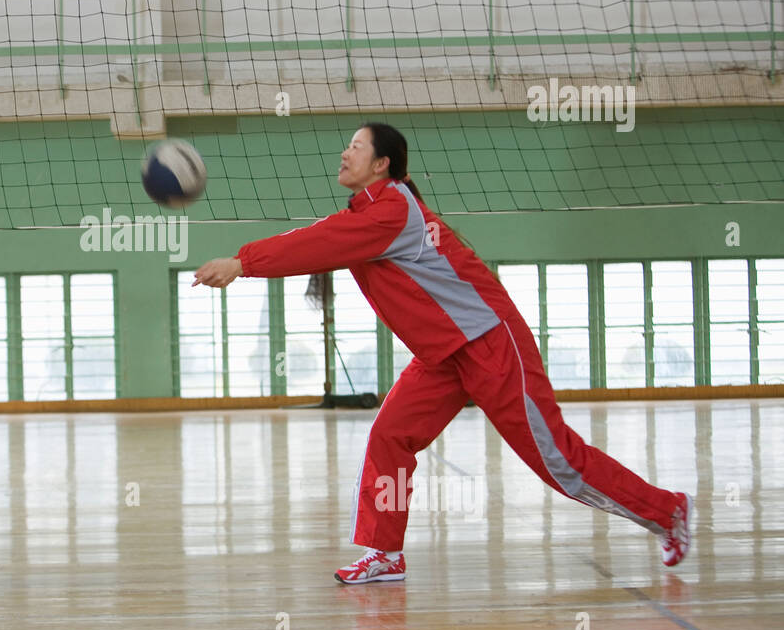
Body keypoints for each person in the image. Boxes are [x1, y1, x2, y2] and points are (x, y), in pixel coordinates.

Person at [193, 122, 691, 583]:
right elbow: (318, 238)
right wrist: (244, 260)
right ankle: (385, 553)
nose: (344, 153)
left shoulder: (392, 209)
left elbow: (317, 242)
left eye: (356, 146)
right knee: (391, 435)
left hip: (489, 343)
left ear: (383, 163)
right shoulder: (365, 212)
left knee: (556, 459)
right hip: (443, 356)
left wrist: (242, 262)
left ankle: (667, 510)